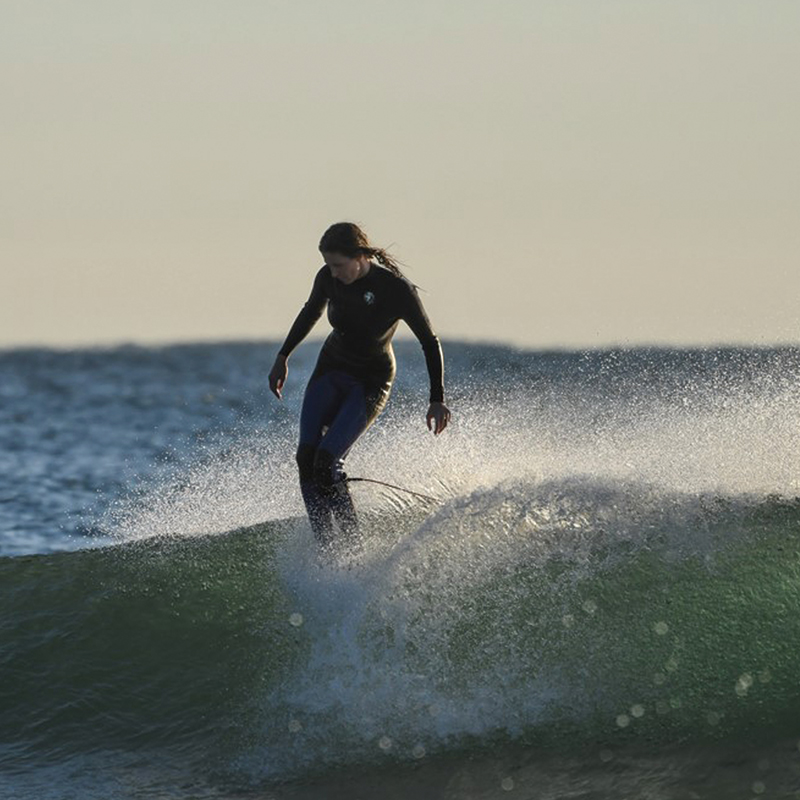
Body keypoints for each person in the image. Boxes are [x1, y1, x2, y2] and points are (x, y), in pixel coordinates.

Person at [268, 222, 451, 546]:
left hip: (370, 381)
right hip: (331, 368)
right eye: (329, 265)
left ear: (360, 256)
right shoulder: (328, 278)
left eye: (338, 265)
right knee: (305, 457)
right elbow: (311, 311)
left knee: (327, 461)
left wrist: (436, 398)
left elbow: (429, 340)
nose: (333, 273)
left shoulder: (395, 289)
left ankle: (351, 546)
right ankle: (325, 545)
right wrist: (283, 355)